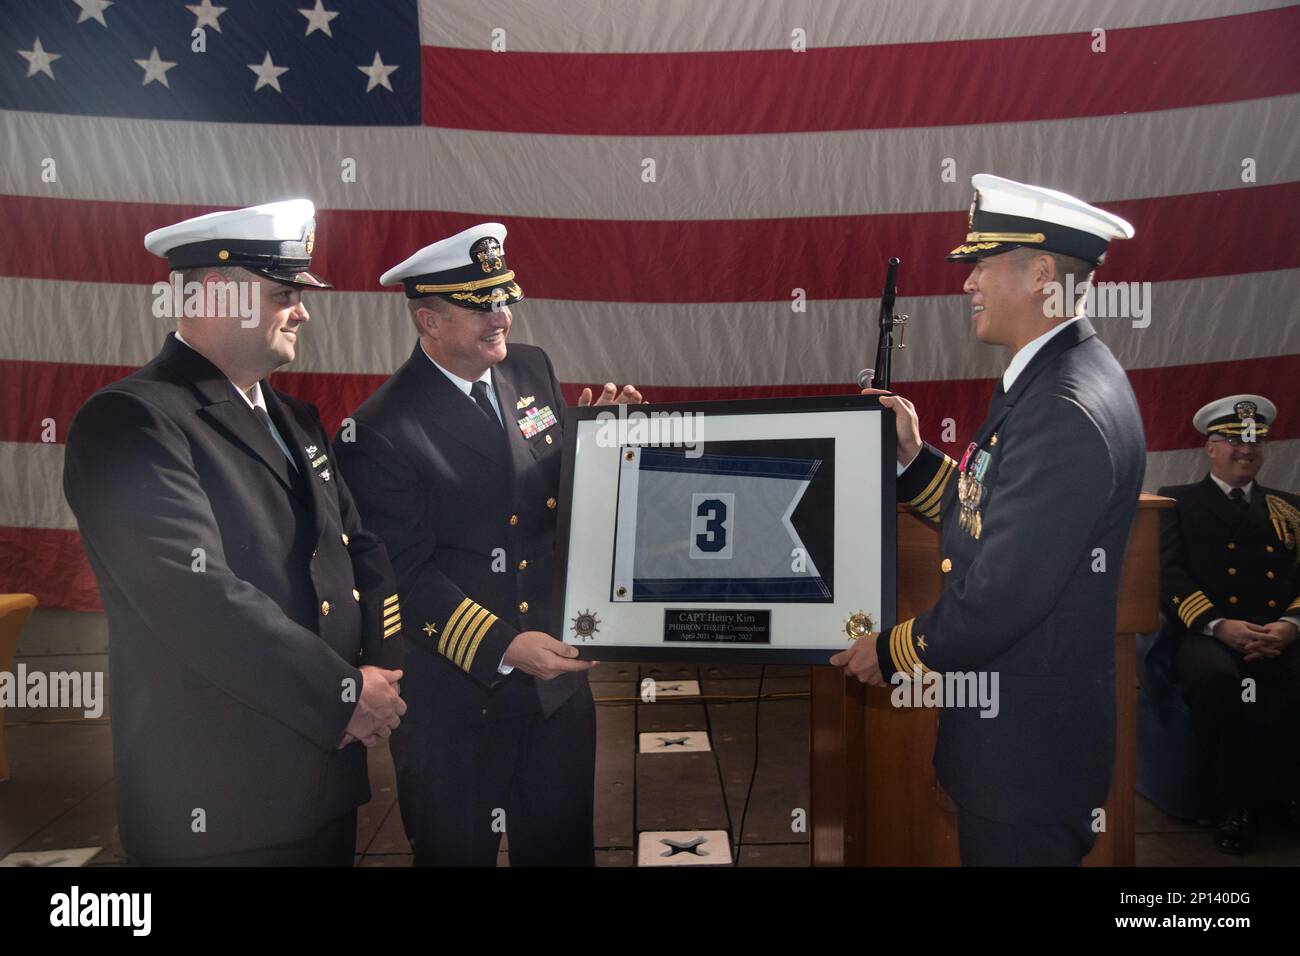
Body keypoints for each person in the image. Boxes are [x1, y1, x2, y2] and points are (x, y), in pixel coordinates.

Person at [62, 200, 406, 865]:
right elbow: (196, 598)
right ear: (221, 293)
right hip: (219, 804)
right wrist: (342, 695)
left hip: (323, 782)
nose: (302, 310)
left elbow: (358, 552)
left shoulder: (296, 419)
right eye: (285, 292)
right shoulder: (132, 422)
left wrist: (379, 674)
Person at [831, 174, 1146, 865]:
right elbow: (988, 512)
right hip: (1023, 746)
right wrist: (914, 458)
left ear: (1039, 273)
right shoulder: (1055, 379)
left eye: (982, 265)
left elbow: (1004, 594)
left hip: (1026, 759)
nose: (968, 283)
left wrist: (892, 652)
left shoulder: (1063, 405)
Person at [335, 223, 641, 866]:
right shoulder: (381, 429)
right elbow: (404, 578)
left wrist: (606, 450)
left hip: (554, 689)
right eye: (480, 305)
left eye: (504, 297)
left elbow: (548, 504)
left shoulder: (531, 368)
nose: (501, 316)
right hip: (454, 703)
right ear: (428, 320)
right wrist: (505, 646)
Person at [1157, 394, 1300, 854]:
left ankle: (1286, 794)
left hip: (1279, 629)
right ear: (1210, 448)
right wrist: (1218, 624)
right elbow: (1168, 575)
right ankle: (1236, 804)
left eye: (1256, 442)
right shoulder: (1175, 503)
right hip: (1208, 633)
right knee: (1219, 681)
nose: (1247, 450)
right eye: (1234, 441)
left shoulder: (1289, 506)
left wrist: (1292, 624)